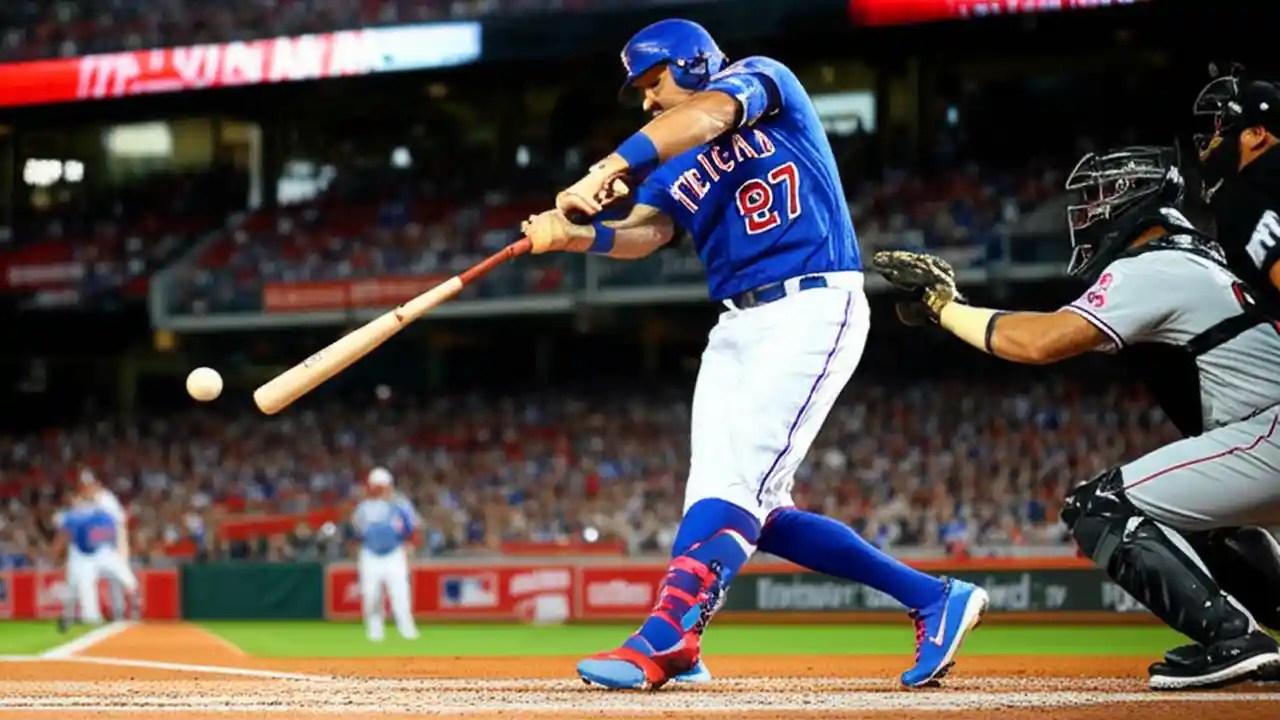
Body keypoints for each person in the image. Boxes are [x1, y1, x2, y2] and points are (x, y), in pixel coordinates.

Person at [521, 18, 987, 691]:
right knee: (741, 503)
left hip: (811, 304)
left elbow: (711, 116)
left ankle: (666, 638)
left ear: (693, 62)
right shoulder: (671, 153)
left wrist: (613, 164)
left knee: (735, 491)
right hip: (736, 323)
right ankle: (933, 597)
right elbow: (648, 231)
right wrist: (574, 237)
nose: (648, 100)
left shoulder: (761, 80)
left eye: (653, 82)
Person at [871, 145, 1280, 690]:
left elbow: (1041, 342)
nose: (1088, 214)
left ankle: (1233, 638)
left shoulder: (1156, 264)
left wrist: (946, 308)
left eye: (1100, 198)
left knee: (1098, 506)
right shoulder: (1198, 260)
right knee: (1207, 527)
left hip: (1270, 429)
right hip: (1261, 432)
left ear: (1138, 202)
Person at [52, 488, 140, 629]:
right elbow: (61, 532)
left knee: (126, 578)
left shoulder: (104, 513)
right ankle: (86, 617)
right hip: (83, 556)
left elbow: (117, 529)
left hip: (103, 552)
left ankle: (134, 607)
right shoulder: (71, 516)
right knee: (83, 590)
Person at [351, 467, 420, 642]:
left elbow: (412, 527)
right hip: (370, 554)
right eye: (376, 485)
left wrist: (411, 543)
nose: (379, 489)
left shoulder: (400, 504)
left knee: (400, 592)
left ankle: (406, 628)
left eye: (381, 485)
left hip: (394, 553)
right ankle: (375, 630)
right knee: (371, 593)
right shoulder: (363, 507)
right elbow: (357, 531)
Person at [77, 468, 139, 623]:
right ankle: (110, 613)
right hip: (96, 546)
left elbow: (119, 522)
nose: (86, 488)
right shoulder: (84, 503)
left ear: (96, 484)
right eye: (84, 485)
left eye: (89, 484)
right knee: (91, 578)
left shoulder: (106, 499)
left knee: (118, 577)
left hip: (114, 541)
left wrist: (121, 546)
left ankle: (127, 609)